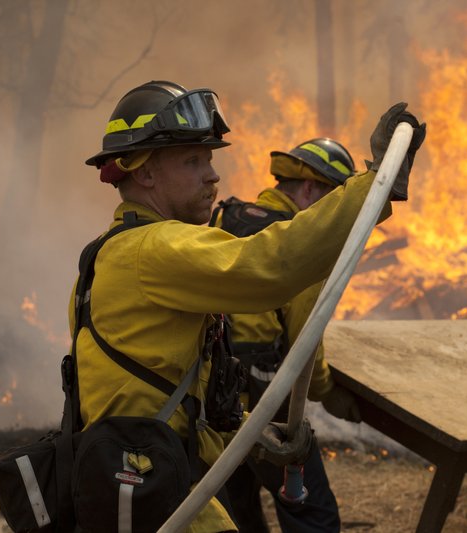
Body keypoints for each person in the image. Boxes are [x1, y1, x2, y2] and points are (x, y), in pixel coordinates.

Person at [73, 79, 426, 532]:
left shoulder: (107, 254)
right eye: (194, 160)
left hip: (145, 475)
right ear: (145, 173)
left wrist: (252, 433)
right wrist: (375, 185)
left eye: (210, 159)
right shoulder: (155, 249)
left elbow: (155, 387)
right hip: (151, 482)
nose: (213, 175)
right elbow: (269, 265)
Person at [210, 137, 363, 533]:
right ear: (311, 188)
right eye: (333, 201)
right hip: (266, 400)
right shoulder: (299, 239)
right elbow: (304, 340)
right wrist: (328, 391)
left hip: (214, 395)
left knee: (236, 508)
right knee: (313, 513)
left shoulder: (225, 218)